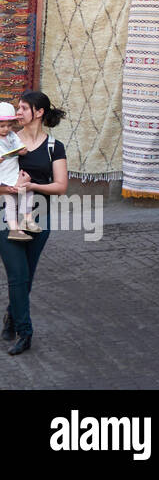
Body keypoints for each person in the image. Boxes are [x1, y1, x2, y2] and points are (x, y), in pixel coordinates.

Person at [0, 91, 69, 356]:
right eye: (17, 108)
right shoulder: (6, 140)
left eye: (23, 108)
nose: (18, 113)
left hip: (39, 217)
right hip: (6, 218)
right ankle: (25, 333)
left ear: (38, 113)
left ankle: (11, 317)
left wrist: (31, 185)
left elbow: (61, 186)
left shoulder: (54, 147)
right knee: (17, 276)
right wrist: (11, 190)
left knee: (26, 277)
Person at [0, 103, 32, 241]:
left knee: (27, 190)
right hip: (2, 175)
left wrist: (21, 151)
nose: (6, 129)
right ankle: (14, 229)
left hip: (13, 172)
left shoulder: (12, 136)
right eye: (2, 126)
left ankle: (27, 219)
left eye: (9, 125)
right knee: (10, 201)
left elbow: (23, 149)